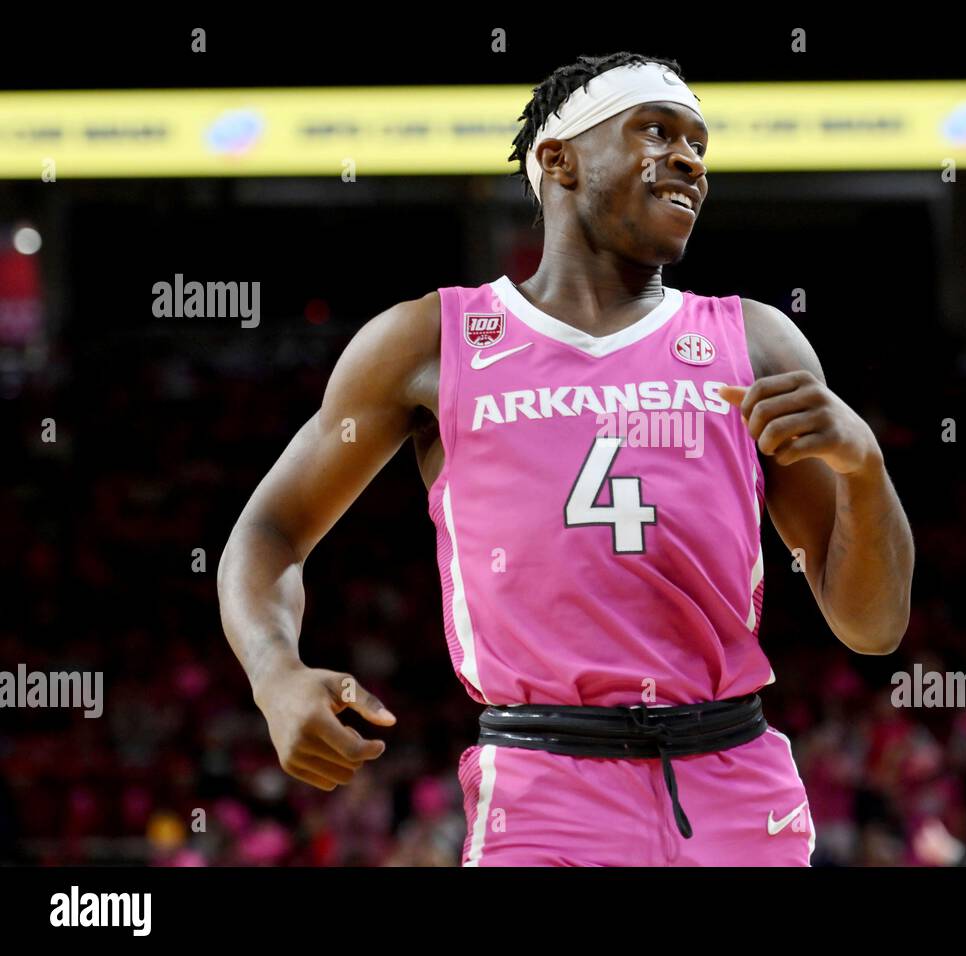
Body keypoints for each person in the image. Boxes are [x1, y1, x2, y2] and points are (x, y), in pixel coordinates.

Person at [217, 51, 914, 866]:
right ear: (559, 160)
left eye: (700, 145)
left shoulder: (756, 341)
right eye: (658, 132)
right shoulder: (430, 341)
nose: (689, 159)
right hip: (543, 790)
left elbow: (873, 626)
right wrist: (275, 673)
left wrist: (865, 469)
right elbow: (269, 530)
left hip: (736, 783)